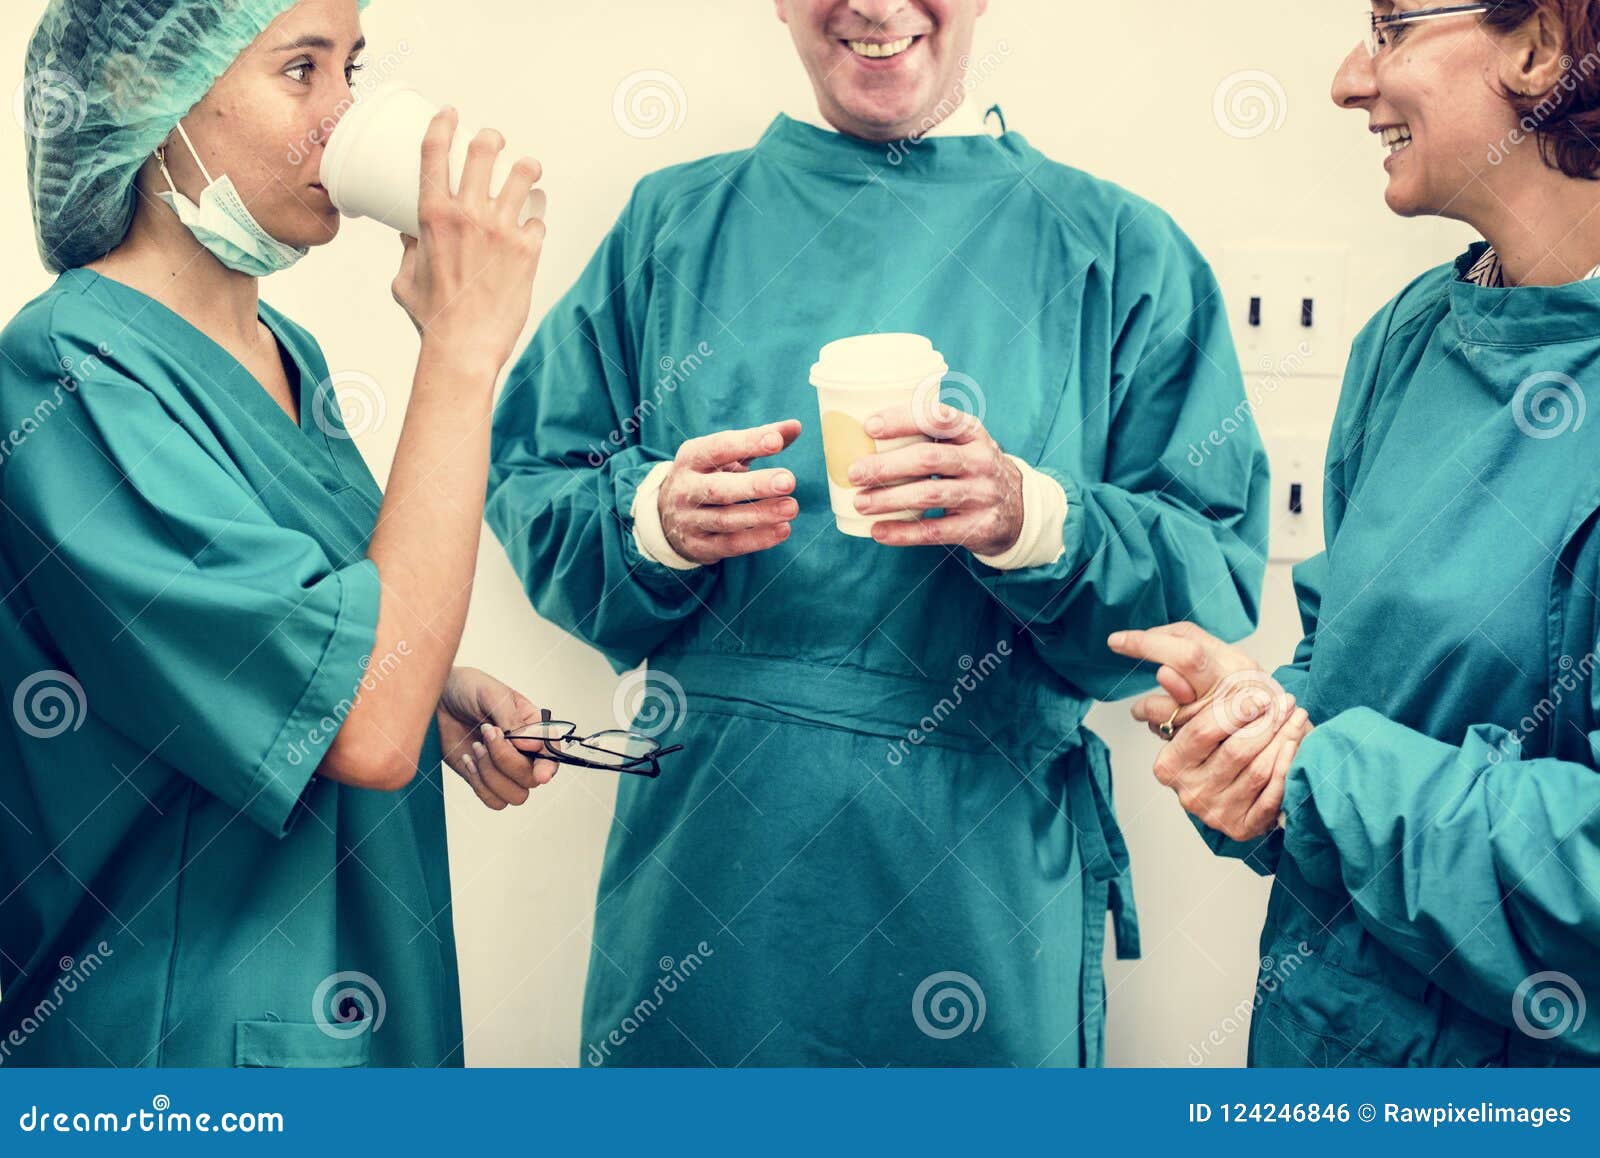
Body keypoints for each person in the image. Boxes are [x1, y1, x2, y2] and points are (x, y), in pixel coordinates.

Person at [487, 0, 1268, 1066]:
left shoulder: (1116, 251)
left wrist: (1032, 519)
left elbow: (1204, 582)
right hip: (712, 888)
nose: (874, 6)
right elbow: (533, 479)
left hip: (976, 890)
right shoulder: (675, 225)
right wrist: (648, 522)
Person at [0, 0, 552, 1067]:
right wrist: (462, 349)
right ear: (137, 96)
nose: (344, 115)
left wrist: (429, 679)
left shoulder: (282, 352)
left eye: (350, 67)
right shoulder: (71, 373)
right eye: (300, 70)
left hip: (365, 1004)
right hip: (185, 1052)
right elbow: (363, 731)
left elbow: (306, 637)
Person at [1110, 0, 1600, 1067]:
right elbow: (1334, 688)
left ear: (1540, 46)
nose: (1346, 80)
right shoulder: (1409, 338)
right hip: (1318, 1044)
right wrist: (1246, 735)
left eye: (1390, 28)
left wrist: (1317, 774)